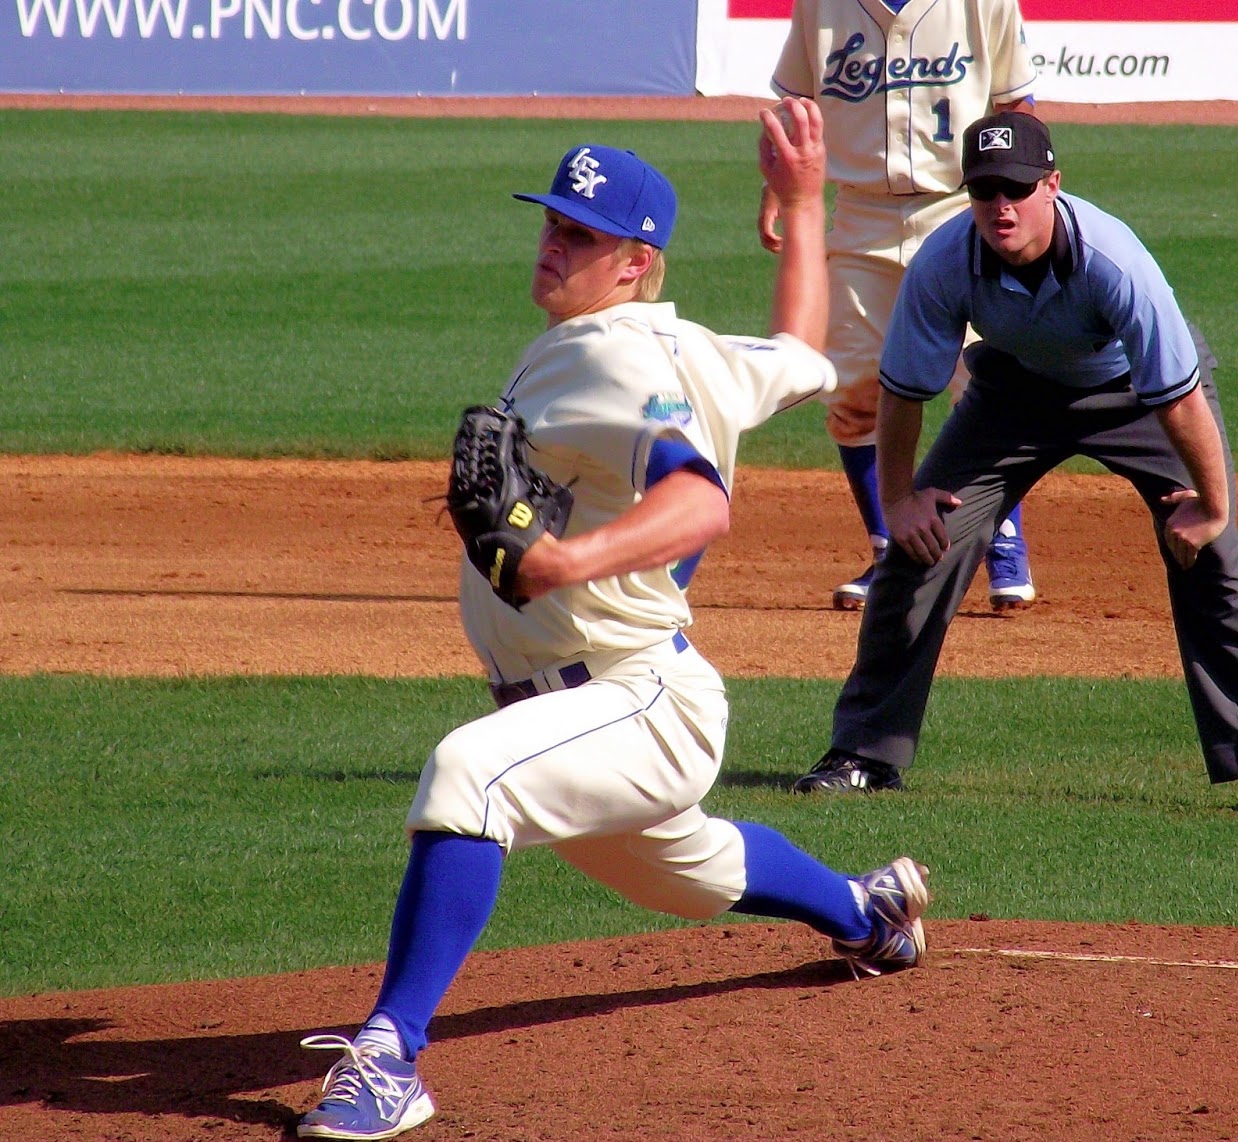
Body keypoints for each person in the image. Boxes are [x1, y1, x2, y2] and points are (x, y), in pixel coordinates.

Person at [294, 98, 931, 1142]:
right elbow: (800, 348)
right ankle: (870, 913)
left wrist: (566, 557)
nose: (554, 243)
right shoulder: (688, 350)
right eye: (550, 221)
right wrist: (805, 204)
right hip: (608, 707)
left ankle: (391, 1055)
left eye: (580, 234)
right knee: (702, 873)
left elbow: (701, 500)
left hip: (632, 698)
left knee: (466, 774)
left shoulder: (613, 358)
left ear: (636, 261)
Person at [792, 111, 1238, 811]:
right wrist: (900, 500)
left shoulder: (1114, 262)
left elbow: (1180, 400)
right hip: (1012, 392)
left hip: (1134, 394)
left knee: (1209, 550)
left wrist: (1213, 507)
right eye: (985, 192)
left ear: (1052, 185)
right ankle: (863, 754)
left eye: (1017, 189)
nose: (1001, 207)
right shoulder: (944, 264)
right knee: (921, 548)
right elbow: (902, 392)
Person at [760, 0, 1043, 623]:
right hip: (859, 215)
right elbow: (797, 106)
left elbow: (1016, 108)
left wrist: (1016, 204)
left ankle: (1002, 539)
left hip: (958, 209)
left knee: (983, 378)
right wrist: (779, 186)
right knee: (853, 385)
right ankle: (890, 545)